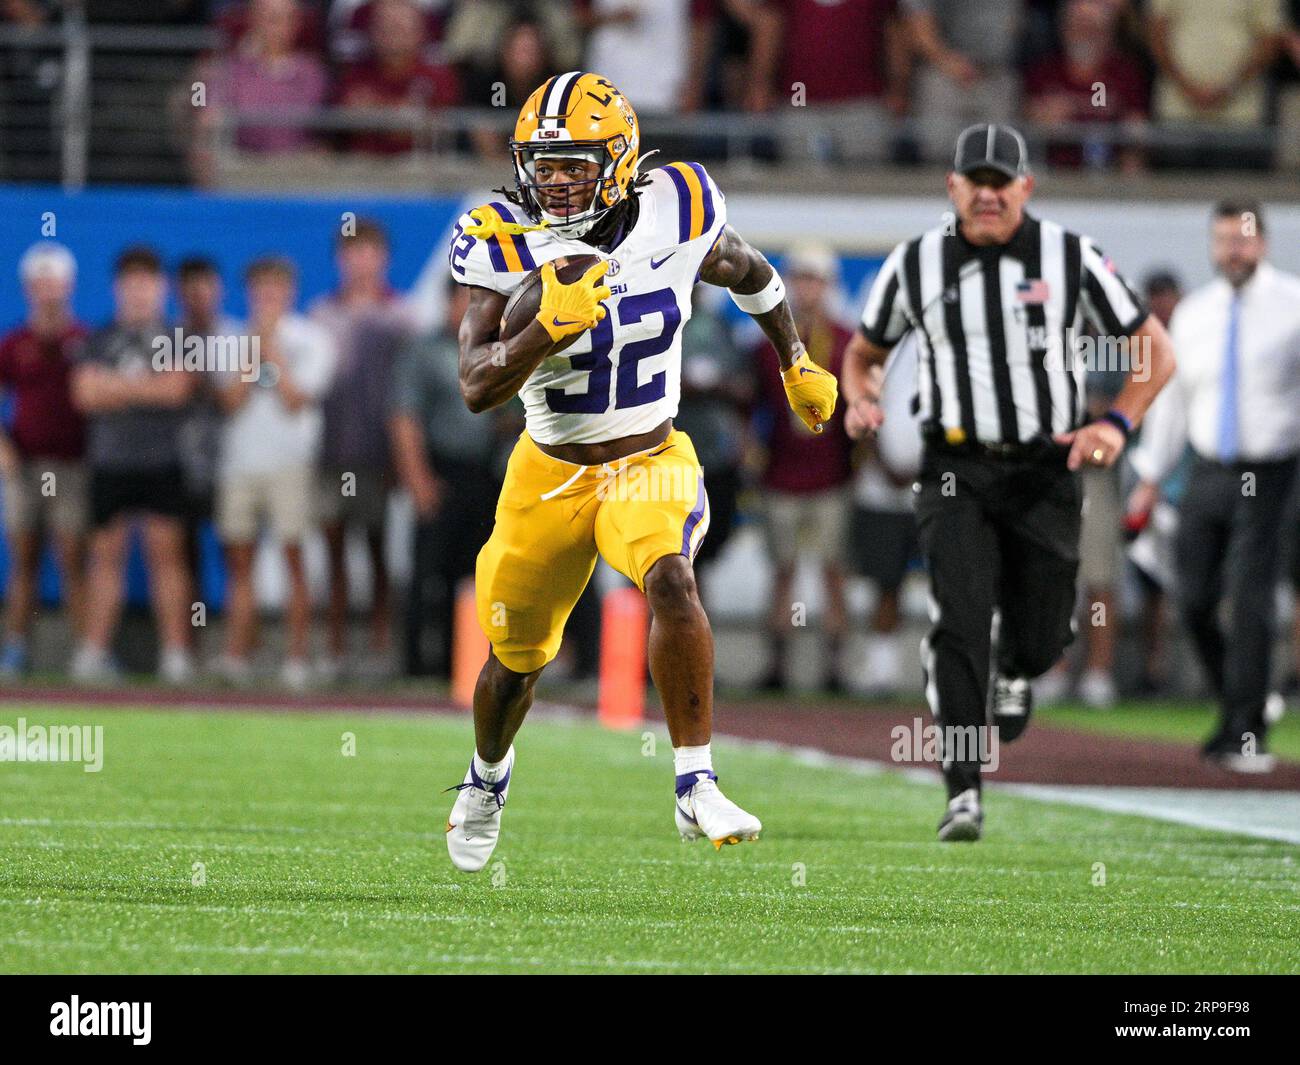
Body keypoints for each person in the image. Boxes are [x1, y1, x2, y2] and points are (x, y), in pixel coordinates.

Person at [443, 71, 838, 871]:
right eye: (543, 166)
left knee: (671, 578)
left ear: (620, 162)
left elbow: (750, 271)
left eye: (574, 166)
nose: (555, 184)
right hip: (549, 471)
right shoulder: (503, 239)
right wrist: (539, 333)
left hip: (648, 455)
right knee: (514, 662)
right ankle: (486, 778)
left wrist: (795, 357)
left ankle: (696, 781)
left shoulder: (676, 209)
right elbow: (477, 386)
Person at [844, 123, 1174, 840]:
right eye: (977, 181)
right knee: (959, 621)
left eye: (1002, 182)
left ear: (1026, 187)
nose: (988, 195)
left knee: (1044, 628)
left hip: (1045, 469)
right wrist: (862, 397)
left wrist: (1118, 423)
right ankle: (963, 788)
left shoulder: (1069, 256)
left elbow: (1154, 348)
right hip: (954, 467)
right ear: (953, 186)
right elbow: (865, 351)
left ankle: (1022, 665)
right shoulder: (917, 262)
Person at [1127, 200, 1300, 772]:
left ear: (1263, 244)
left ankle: (1244, 732)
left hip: (1270, 470)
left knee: (1250, 597)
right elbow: (1172, 401)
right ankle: (1242, 702)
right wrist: (1151, 477)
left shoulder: (1293, 305)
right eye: (1224, 239)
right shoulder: (1194, 314)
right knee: (1193, 596)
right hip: (1208, 468)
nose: (1234, 250)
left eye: (1243, 239)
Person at [71, 246, 199, 685]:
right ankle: (93, 651)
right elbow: (84, 395)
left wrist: (115, 387)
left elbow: (176, 391)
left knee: (167, 558)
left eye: (148, 282)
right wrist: (146, 387)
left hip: (162, 461)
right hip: (111, 462)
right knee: (105, 559)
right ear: (117, 288)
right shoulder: (99, 337)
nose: (140, 291)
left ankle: (176, 654)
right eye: (131, 283)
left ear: (161, 288)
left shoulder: (176, 336)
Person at [213, 257, 335, 690]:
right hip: (239, 464)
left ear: (290, 292)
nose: (267, 297)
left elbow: (295, 399)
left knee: (294, 560)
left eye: (275, 289)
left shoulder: (312, 338)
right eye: (259, 289)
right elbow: (230, 401)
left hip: (291, 463)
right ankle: (237, 656)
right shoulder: (228, 339)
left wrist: (273, 350)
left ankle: (296, 659)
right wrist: (254, 348)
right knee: (239, 564)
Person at [310, 219, 412, 682]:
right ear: (340, 259)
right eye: (353, 252)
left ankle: (379, 647)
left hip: (378, 456)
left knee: (376, 552)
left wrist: (401, 461)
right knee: (332, 554)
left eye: (369, 252)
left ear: (383, 259)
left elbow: (406, 397)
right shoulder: (320, 314)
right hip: (330, 453)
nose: (361, 262)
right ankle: (334, 650)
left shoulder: (401, 316)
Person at [751, 243, 854, 693]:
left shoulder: (846, 342)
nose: (808, 289)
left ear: (829, 286)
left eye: (816, 280)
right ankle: (777, 666)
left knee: (833, 573)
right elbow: (751, 407)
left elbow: (858, 408)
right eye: (801, 279)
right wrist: (752, 452)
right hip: (782, 475)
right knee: (783, 573)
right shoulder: (767, 344)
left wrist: (860, 460)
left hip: (832, 478)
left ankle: (835, 670)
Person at [389, 279, 501, 677]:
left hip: (486, 476)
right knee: (427, 573)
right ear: (450, 302)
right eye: (470, 301)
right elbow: (405, 418)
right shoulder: (424, 351)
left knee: (477, 574)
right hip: (441, 473)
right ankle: (416, 665)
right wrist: (418, 480)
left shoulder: (499, 350)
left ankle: (464, 663)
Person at [0, 242, 89, 677]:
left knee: (73, 558)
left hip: (73, 466)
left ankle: (87, 653)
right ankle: (15, 649)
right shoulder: (14, 343)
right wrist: (3, 450)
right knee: (24, 561)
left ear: (68, 286)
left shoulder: (84, 341)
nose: (49, 291)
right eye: (41, 284)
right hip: (25, 467)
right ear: (28, 289)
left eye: (55, 283)